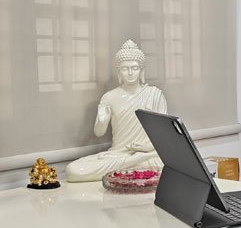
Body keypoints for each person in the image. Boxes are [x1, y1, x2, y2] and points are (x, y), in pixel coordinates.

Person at [66, 40, 167, 182]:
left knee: (168, 161)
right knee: (74, 170)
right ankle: (136, 162)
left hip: (150, 153)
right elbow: (99, 133)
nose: (130, 73)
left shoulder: (155, 95)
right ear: (119, 71)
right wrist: (102, 121)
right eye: (125, 69)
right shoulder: (109, 97)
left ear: (141, 70)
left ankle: (138, 160)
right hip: (119, 155)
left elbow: (164, 134)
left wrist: (148, 147)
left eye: (135, 68)